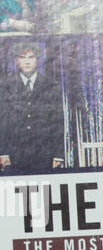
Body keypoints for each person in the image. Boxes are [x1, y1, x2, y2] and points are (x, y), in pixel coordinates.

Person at [0, 42, 65, 173]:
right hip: (15, 154)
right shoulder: (5, 86)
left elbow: (57, 121)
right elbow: (2, 121)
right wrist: (3, 153)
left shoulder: (51, 86)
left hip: (44, 152)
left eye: (31, 57)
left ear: (37, 60)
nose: (27, 61)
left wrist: (58, 154)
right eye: (22, 57)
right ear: (17, 61)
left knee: (46, 191)